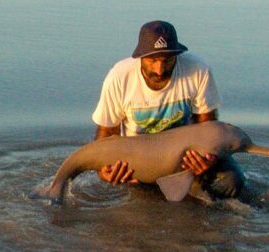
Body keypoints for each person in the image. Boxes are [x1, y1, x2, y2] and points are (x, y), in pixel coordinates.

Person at [92, 20, 244, 199]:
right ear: (140, 56)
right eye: (153, 60)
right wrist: (103, 171)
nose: (159, 69)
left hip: (186, 160)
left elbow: (209, 128)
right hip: (140, 164)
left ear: (177, 56)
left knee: (232, 182)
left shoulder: (197, 71)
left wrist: (207, 160)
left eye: (167, 60)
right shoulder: (119, 77)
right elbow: (106, 133)